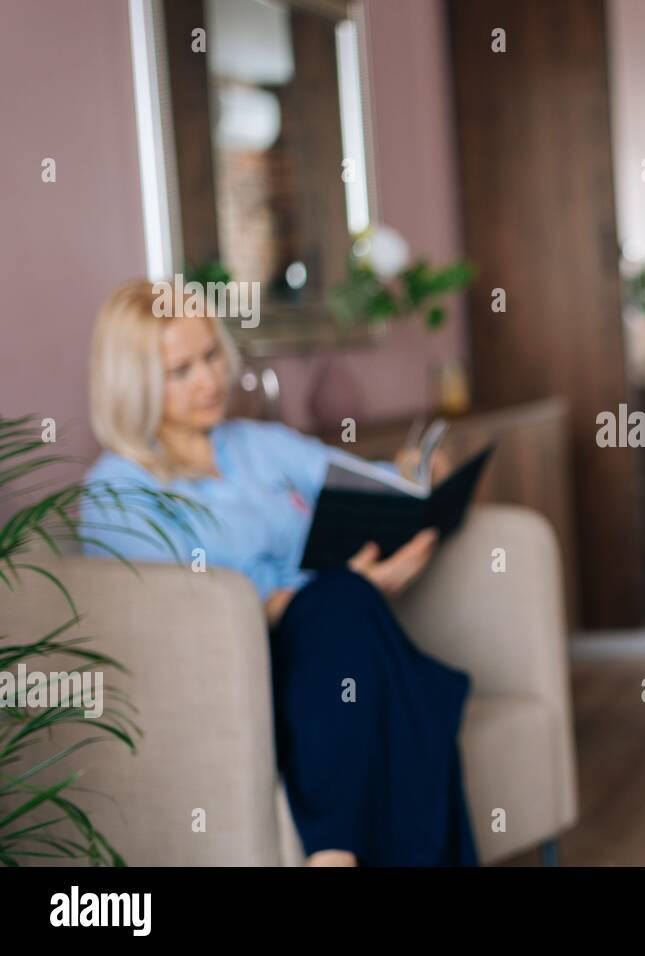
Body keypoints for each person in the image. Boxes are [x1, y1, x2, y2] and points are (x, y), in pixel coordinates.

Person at [78, 278, 478, 867]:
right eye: (181, 370)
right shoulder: (117, 490)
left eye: (212, 355)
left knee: (344, 613)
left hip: (337, 648)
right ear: (132, 384)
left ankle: (332, 857)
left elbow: (353, 479)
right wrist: (306, 599)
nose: (210, 379)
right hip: (240, 673)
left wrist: (413, 475)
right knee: (357, 621)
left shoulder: (255, 444)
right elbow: (177, 625)